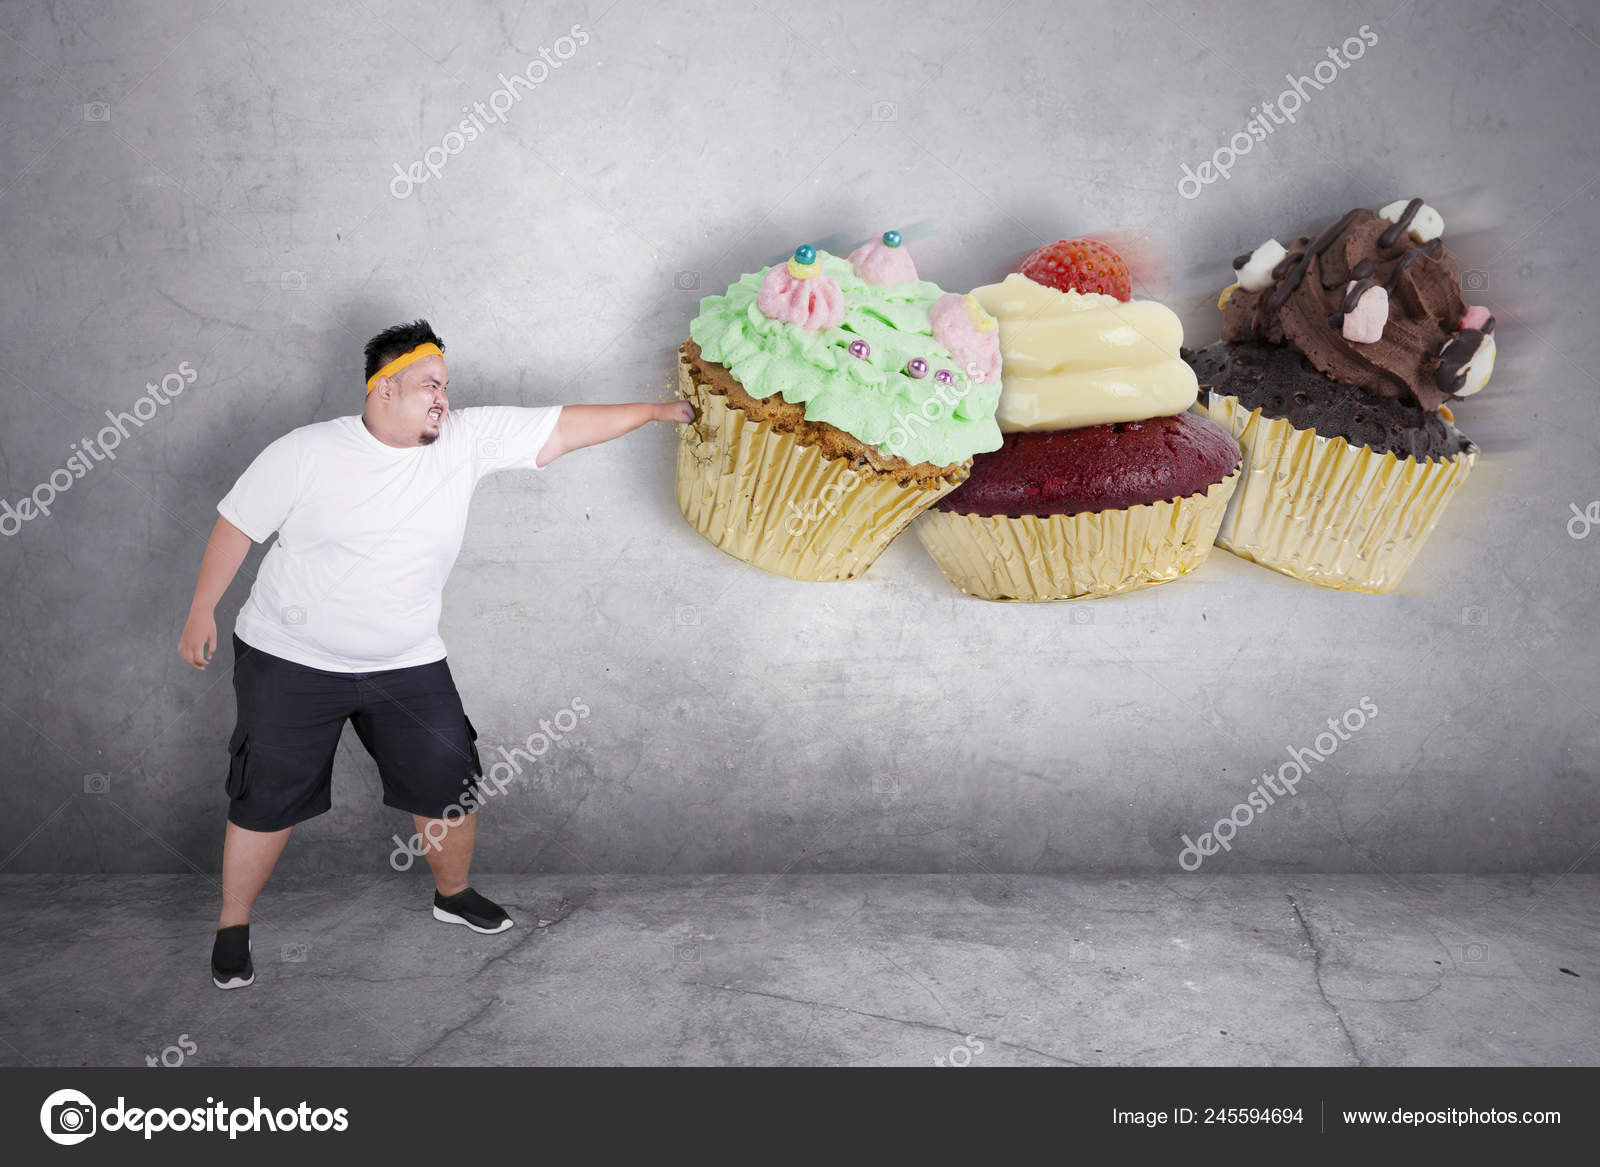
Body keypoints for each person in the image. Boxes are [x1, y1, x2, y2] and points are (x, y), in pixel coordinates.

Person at [178, 320, 693, 989]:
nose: (442, 398)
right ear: (384, 388)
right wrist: (201, 610)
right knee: (265, 792)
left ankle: (452, 896)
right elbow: (237, 525)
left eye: (446, 386)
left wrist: (656, 411)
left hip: (406, 658)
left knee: (448, 777)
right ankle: (232, 925)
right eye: (429, 384)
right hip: (290, 656)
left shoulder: (465, 440)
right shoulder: (305, 452)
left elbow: (565, 426)